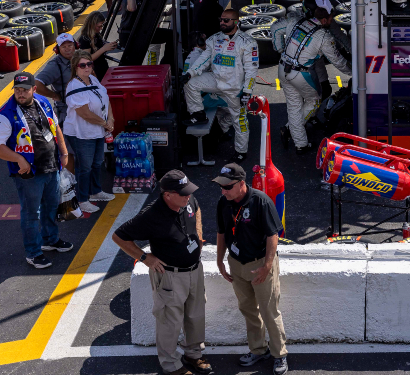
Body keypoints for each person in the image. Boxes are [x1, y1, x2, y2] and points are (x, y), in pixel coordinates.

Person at [112, 171, 212, 375]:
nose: (188, 196)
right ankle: (171, 364)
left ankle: (193, 354)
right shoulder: (152, 215)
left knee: (195, 315)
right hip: (170, 276)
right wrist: (144, 257)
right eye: (183, 193)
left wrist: (198, 233)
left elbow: (196, 208)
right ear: (167, 195)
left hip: (194, 270)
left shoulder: (188, 199)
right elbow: (119, 236)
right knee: (169, 322)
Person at [0, 72, 74, 270]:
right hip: (29, 174)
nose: (20, 93)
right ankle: (33, 253)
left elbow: (55, 127)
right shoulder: (5, 114)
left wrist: (63, 152)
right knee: (32, 213)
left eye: (25, 90)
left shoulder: (43, 102)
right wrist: (19, 159)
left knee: (51, 207)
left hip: (51, 166)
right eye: (17, 90)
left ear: (34, 89)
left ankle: (51, 240)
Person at [214, 166, 289, 375]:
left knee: (269, 311)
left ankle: (279, 354)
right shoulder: (223, 202)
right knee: (248, 309)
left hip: (260, 263)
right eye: (221, 187)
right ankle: (258, 350)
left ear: (241, 184)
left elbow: (272, 236)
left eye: (227, 187)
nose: (223, 191)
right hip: (236, 262)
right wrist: (220, 261)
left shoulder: (261, 201)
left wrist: (267, 266)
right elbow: (221, 232)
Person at [276, 0, 350, 153]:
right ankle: (290, 129)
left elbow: (276, 28)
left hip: (282, 68)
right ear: (324, 20)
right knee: (314, 101)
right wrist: (354, 72)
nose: (331, 22)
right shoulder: (323, 36)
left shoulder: (296, 21)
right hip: (300, 74)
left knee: (294, 107)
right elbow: (337, 61)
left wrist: (279, 48)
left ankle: (301, 144)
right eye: (330, 19)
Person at [184, 8, 258, 159]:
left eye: (226, 20)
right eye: (221, 19)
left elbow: (251, 69)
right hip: (216, 80)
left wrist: (247, 91)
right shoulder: (213, 39)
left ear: (236, 22)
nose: (222, 22)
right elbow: (204, 59)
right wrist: (190, 73)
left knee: (240, 120)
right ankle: (198, 113)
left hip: (235, 87)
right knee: (190, 82)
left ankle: (241, 152)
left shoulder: (248, 42)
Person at [63, 50, 115, 214]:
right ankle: (82, 199)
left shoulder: (93, 79)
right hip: (81, 133)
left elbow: (105, 99)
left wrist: (110, 118)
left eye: (89, 64)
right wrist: (105, 123)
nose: (87, 67)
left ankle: (95, 191)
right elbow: (84, 113)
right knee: (84, 167)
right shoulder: (74, 86)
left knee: (97, 162)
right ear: (75, 67)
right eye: (83, 65)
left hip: (97, 130)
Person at [35, 33, 78, 125]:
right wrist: (54, 95)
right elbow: (37, 84)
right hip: (67, 111)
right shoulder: (55, 65)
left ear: (75, 45)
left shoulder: (80, 58)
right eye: (63, 47)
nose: (67, 49)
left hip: (84, 105)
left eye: (70, 45)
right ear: (58, 49)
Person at [76, 11, 118, 79]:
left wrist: (109, 45)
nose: (101, 28)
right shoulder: (84, 39)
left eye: (102, 26)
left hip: (102, 67)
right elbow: (87, 58)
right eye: (99, 26)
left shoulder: (96, 35)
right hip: (95, 72)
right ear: (92, 25)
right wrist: (104, 49)